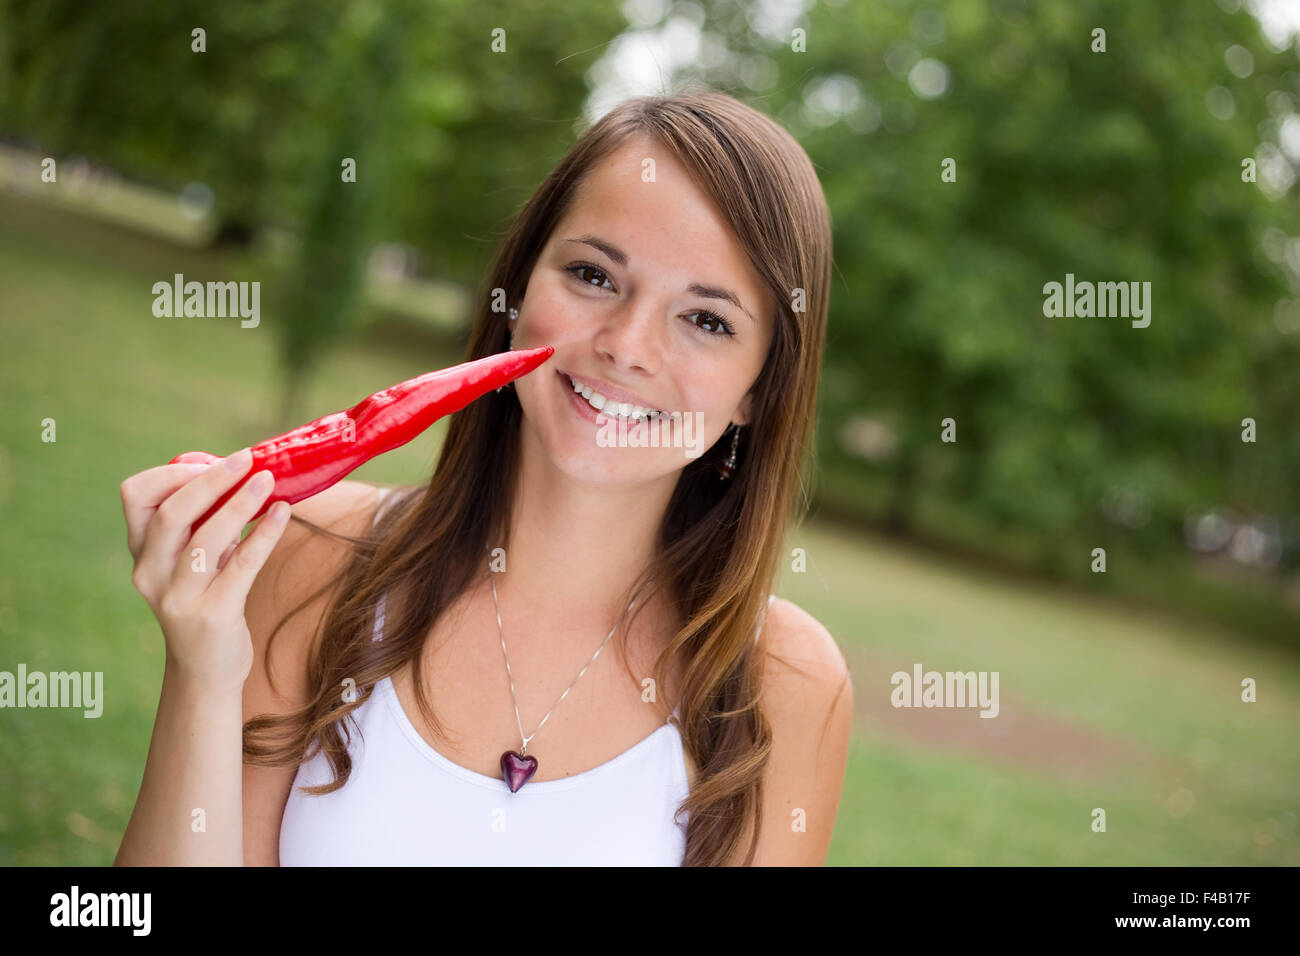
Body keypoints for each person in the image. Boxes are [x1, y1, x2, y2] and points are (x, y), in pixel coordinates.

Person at [115, 88, 852, 867]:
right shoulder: (310, 552)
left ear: (755, 391)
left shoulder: (785, 683)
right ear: (519, 288)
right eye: (594, 275)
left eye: (707, 320)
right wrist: (202, 671)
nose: (627, 346)